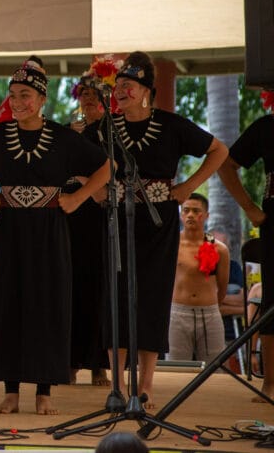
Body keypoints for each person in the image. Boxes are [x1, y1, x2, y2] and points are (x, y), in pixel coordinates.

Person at [0, 55, 110, 415]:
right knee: (9, 303)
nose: (18, 102)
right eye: (13, 96)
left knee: (48, 305)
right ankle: (11, 392)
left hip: (50, 229)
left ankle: (44, 392)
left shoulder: (63, 138)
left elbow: (105, 166)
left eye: (25, 95)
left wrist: (78, 198)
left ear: (41, 99)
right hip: (10, 228)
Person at [106, 51, 227, 406]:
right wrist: (96, 190)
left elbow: (218, 151)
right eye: (118, 86)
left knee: (153, 297)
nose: (120, 91)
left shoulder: (172, 125)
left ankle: (146, 384)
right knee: (117, 295)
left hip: (159, 220)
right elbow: (80, 162)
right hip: (117, 219)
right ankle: (117, 385)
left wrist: (189, 186)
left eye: (128, 85)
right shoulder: (107, 128)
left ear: (146, 90)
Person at [219, 87, 274, 397]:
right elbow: (226, 164)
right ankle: (271, 382)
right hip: (273, 220)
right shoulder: (266, 127)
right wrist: (250, 207)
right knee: (272, 301)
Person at [66, 72, 111, 386]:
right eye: (84, 94)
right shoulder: (68, 131)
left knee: (98, 290)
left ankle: (99, 365)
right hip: (70, 217)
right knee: (70, 289)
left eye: (95, 94)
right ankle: (68, 362)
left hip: (99, 217)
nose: (89, 99)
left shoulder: (111, 132)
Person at [167, 193, 229, 363]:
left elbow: (223, 286)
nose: (190, 215)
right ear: (181, 214)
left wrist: (211, 306)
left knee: (215, 367)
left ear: (206, 215)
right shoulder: (171, 244)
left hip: (210, 313)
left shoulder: (219, 249)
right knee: (176, 368)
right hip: (178, 313)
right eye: (186, 210)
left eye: (196, 211)